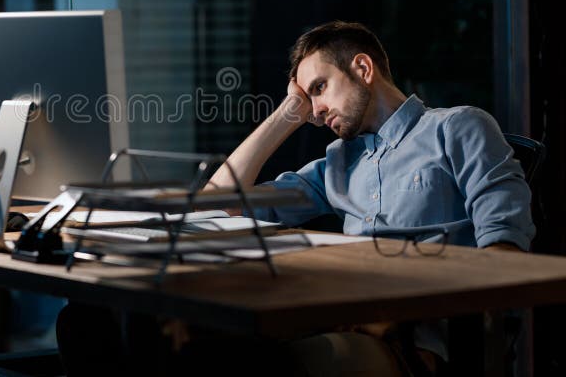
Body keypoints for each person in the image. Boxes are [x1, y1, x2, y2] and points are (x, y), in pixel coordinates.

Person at [200, 20, 535, 376]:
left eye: (319, 88)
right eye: (307, 98)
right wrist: (286, 115)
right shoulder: (338, 163)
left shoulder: (457, 128)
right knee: (212, 346)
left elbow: (505, 253)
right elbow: (217, 206)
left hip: (422, 342)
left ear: (363, 68)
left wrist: (392, 314)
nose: (314, 111)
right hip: (345, 319)